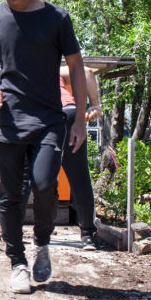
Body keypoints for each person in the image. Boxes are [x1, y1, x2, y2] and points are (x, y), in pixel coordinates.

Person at [0, 0, 88, 294]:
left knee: (45, 183)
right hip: (8, 121)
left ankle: (42, 242)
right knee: (10, 196)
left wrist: (79, 118)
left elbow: (77, 67)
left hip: (49, 118)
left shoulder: (56, 18)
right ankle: (17, 263)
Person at [58, 66, 103, 251]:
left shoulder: (26, 68)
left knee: (32, 179)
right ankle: (87, 236)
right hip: (70, 114)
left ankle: (19, 234)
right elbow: (87, 72)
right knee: (80, 179)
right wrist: (95, 105)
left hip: (45, 117)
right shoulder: (54, 68)